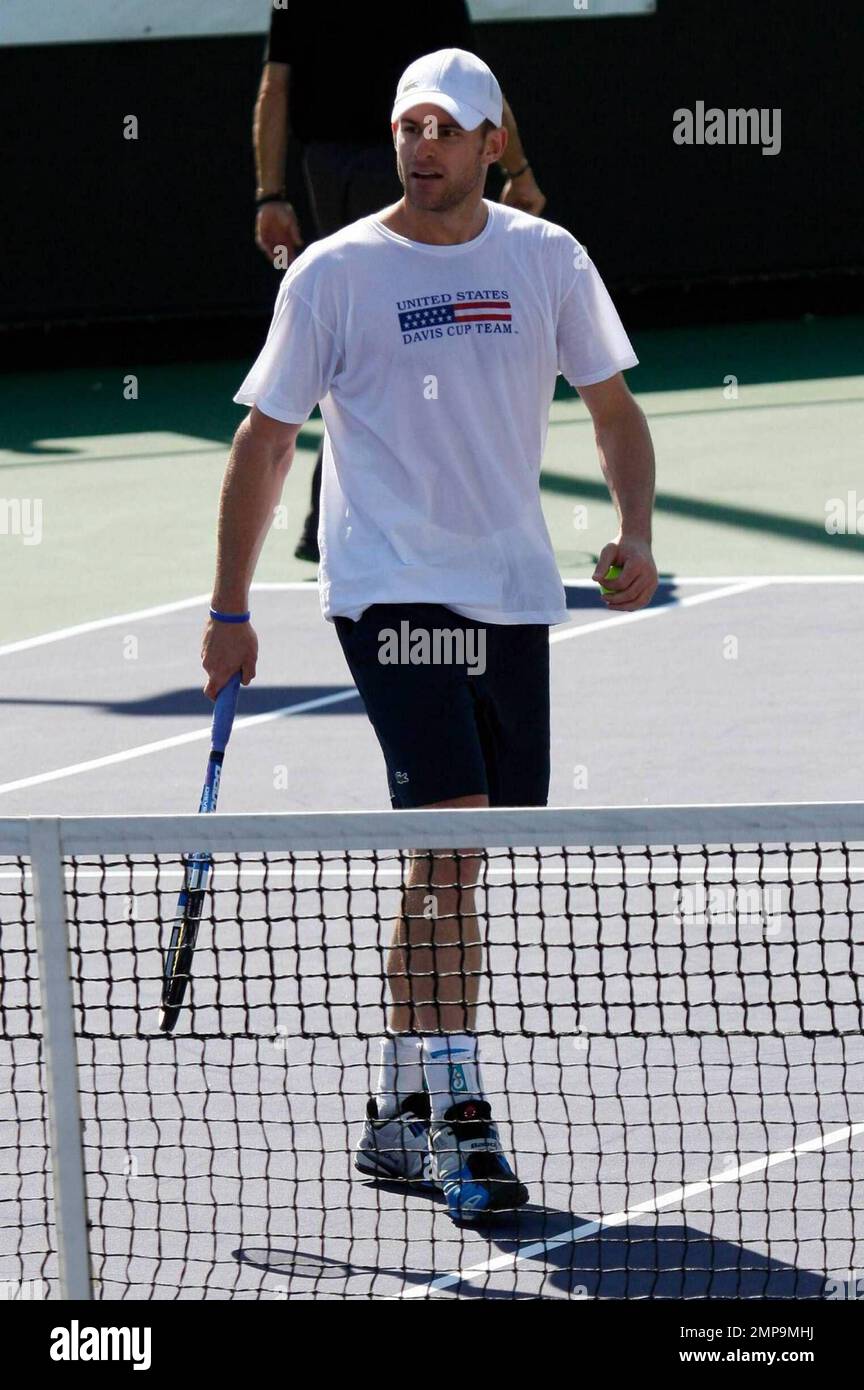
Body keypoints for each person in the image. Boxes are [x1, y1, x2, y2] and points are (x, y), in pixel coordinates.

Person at [204, 48, 657, 1221]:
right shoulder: (333, 274)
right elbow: (265, 444)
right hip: (389, 593)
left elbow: (613, 408)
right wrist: (230, 609)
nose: (422, 146)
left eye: (447, 129)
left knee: (451, 859)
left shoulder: (548, 259)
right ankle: (461, 1117)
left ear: (493, 140)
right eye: (409, 126)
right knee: (453, 851)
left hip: (513, 591)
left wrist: (635, 534)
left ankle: (398, 1105)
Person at [252, 2, 546, 563]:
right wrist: (520, 171)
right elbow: (478, 88)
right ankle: (379, 519)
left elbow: (275, 89)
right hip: (402, 169)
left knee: (365, 339)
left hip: (332, 170)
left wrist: (270, 193)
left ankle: (331, 515)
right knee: (403, 343)